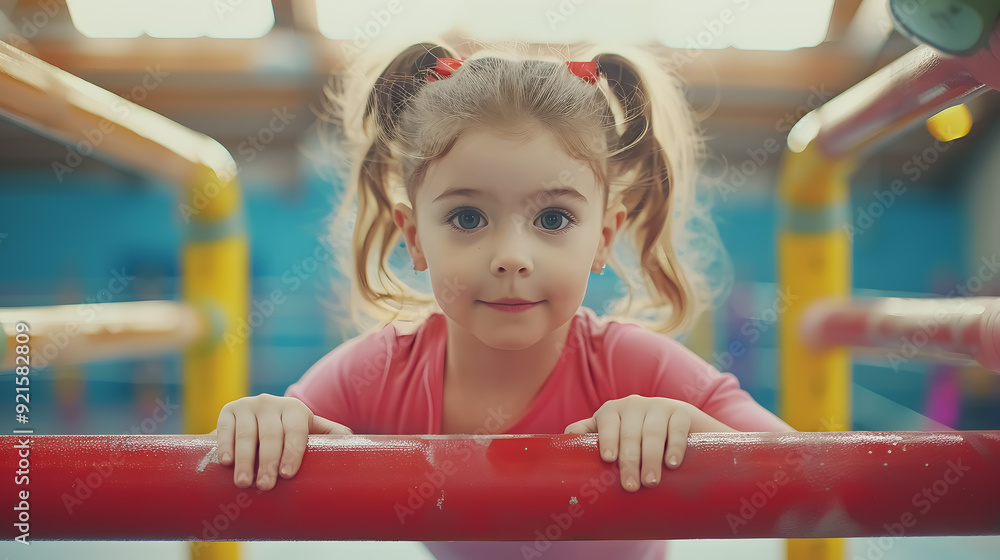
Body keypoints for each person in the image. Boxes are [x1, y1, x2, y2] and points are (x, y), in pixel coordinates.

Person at [213, 41, 794, 559]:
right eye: (468, 217)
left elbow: (799, 471)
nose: (511, 256)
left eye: (553, 218)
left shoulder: (634, 368)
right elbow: (284, 434)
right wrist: (268, 418)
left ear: (604, 238)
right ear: (414, 237)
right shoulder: (379, 374)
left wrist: (693, 430)